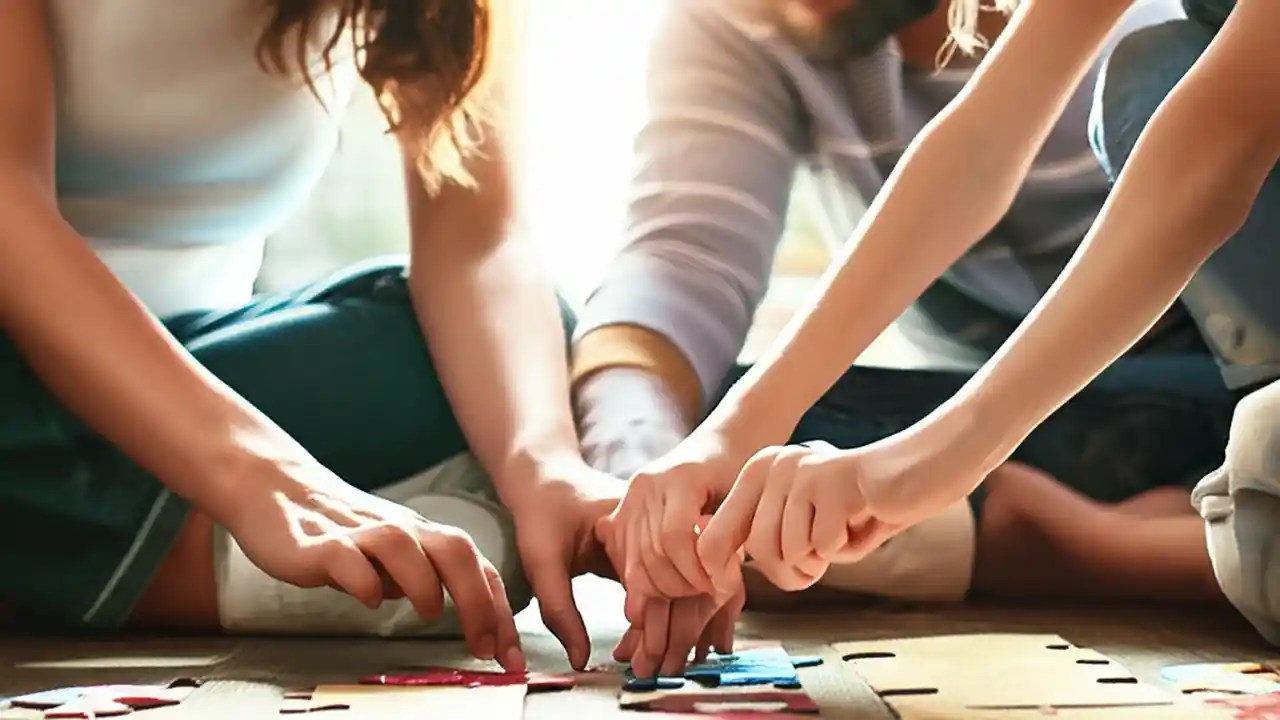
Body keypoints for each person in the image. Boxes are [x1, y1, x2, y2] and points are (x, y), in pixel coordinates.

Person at [578, 0, 1258, 674]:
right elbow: (978, 144)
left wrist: (925, 463)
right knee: (733, 442)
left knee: (1154, 74)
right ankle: (1199, 525)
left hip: (1232, 385)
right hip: (1102, 413)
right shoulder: (730, 26)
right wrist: (728, 435)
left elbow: (1222, 140)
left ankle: (1125, 539)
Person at [0, 0, 619, 673]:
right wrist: (267, 480)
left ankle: (115, 549)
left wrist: (543, 463)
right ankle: (178, 572)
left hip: (199, 380)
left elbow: (476, 242)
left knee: (489, 353)